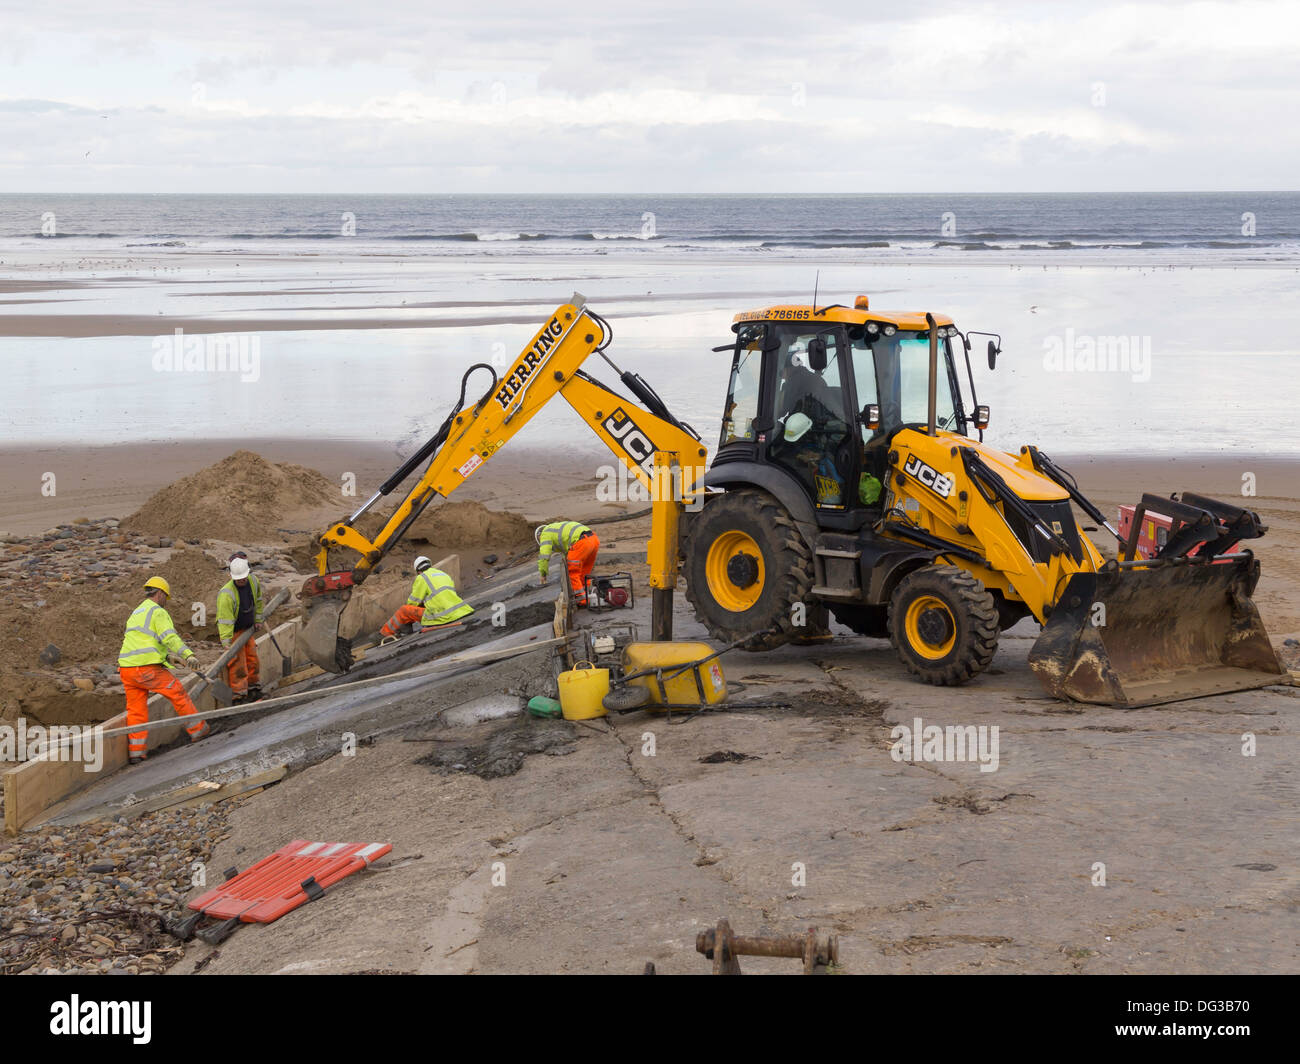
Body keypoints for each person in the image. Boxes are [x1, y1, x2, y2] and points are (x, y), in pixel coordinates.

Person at [117, 576, 209, 764]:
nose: (166, 601)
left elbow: (143, 644)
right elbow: (170, 638)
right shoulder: (157, 612)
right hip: (145, 669)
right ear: (160, 594)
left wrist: (167, 658)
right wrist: (188, 655)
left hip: (127, 670)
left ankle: (136, 752)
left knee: (136, 710)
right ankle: (198, 729)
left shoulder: (137, 612)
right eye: (166, 597)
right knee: (177, 692)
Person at [380, 556, 473, 642]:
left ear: (418, 571)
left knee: (404, 610)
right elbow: (440, 596)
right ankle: (405, 627)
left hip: (442, 616)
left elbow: (413, 603)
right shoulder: (442, 574)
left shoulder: (422, 577)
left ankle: (384, 634)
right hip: (460, 610)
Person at [217, 554, 264, 705]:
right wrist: (226, 641)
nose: (241, 581)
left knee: (252, 659)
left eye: (243, 578)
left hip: (248, 629)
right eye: (238, 579)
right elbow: (224, 621)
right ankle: (239, 696)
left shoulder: (254, 582)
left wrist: (258, 619)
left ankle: (254, 689)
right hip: (235, 632)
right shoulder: (226, 594)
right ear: (231, 576)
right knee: (238, 664)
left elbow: (258, 601)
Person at [536, 521, 599, 606]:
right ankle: (589, 594)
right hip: (594, 540)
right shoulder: (555, 528)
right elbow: (568, 549)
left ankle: (582, 600)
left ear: (539, 536)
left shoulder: (545, 535)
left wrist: (543, 574)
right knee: (584, 572)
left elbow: (544, 557)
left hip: (582, 542)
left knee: (572, 572)